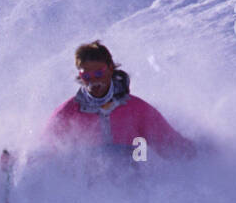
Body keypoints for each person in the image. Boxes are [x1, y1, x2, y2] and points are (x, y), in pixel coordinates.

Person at [42, 41, 196, 161]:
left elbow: (172, 147)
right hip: (86, 196)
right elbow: (44, 153)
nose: (93, 81)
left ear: (110, 68)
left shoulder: (136, 109)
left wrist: (206, 153)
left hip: (131, 195)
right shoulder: (69, 113)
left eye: (98, 73)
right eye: (86, 76)